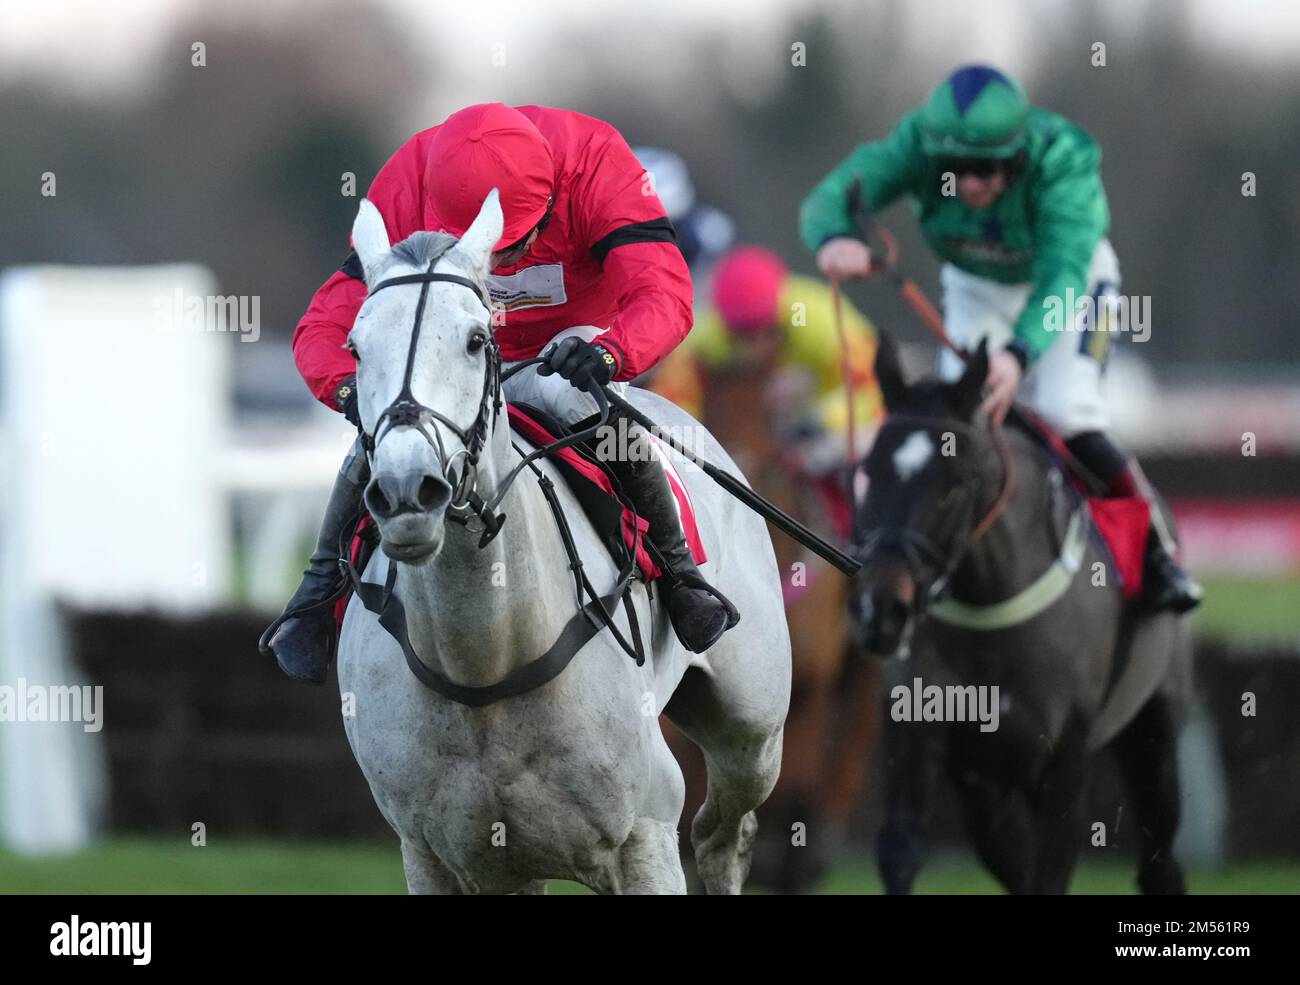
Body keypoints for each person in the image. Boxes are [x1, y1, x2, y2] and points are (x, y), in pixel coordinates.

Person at [264, 103, 737, 684]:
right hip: (451, 348)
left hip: (570, 342)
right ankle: (317, 594)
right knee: (393, 436)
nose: (500, 267)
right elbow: (324, 324)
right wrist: (350, 392)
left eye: (512, 247)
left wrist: (610, 351)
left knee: (586, 409)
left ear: (550, 202)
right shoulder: (410, 180)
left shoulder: (596, 162)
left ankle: (679, 571)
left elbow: (662, 292)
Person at [800, 64, 1201, 612]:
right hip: (976, 287)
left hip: (1071, 286)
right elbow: (827, 198)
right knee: (959, 423)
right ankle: (928, 560)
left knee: (1064, 409)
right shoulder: (915, 143)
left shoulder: (1064, 164)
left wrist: (1019, 354)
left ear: (1017, 157)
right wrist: (832, 240)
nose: (968, 185)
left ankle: (1158, 552)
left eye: (984, 169)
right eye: (954, 170)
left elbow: (1064, 277)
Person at [652, 245, 883, 536]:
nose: (756, 346)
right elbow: (670, 404)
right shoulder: (705, 339)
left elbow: (872, 393)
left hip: (839, 415)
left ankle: (865, 541)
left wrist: (819, 420)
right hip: (774, 423)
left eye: (765, 328)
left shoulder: (822, 320)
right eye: (743, 334)